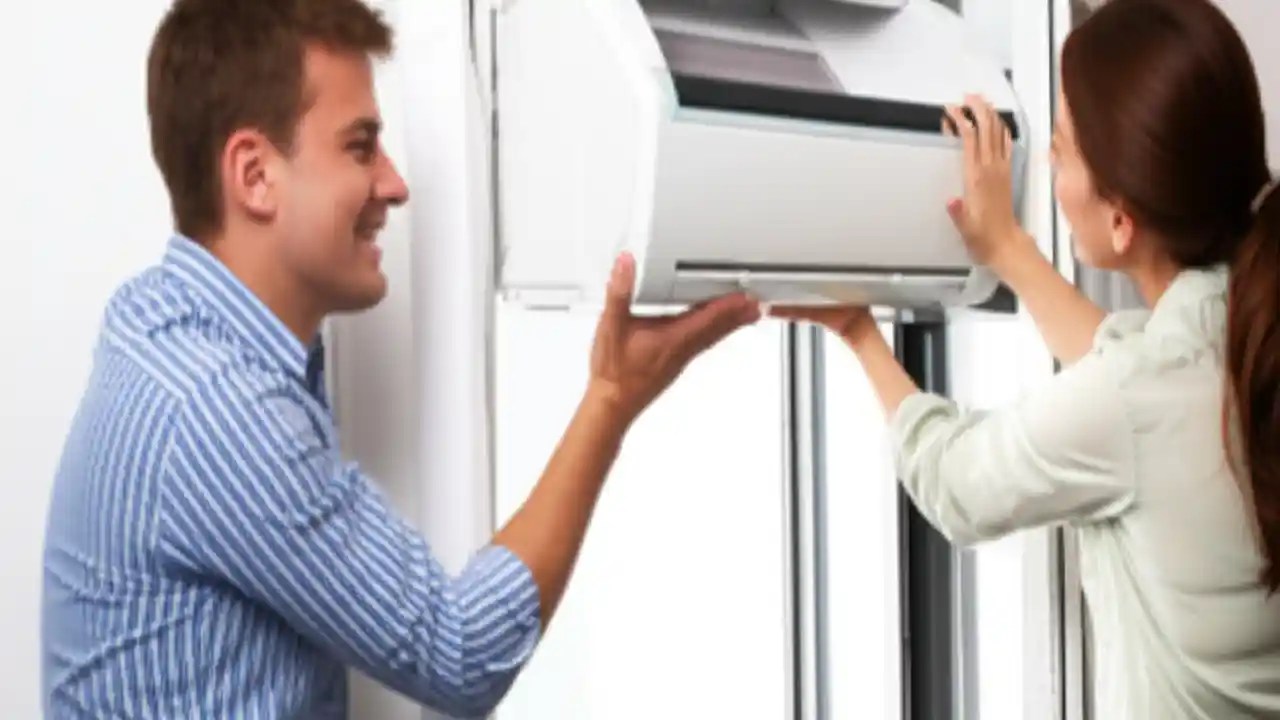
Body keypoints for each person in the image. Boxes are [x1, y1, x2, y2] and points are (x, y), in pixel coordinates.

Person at [38, 0, 760, 717]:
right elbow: (461, 653)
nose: (394, 184)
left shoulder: (160, 324)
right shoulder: (219, 409)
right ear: (254, 175)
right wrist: (611, 398)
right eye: (360, 147)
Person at [773, 0, 1280, 716]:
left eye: (1064, 148)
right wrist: (1007, 249)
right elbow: (1128, 375)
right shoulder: (1242, 327)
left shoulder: (1141, 395)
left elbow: (956, 482)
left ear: (1120, 219)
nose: (1046, 161)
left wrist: (860, 332)